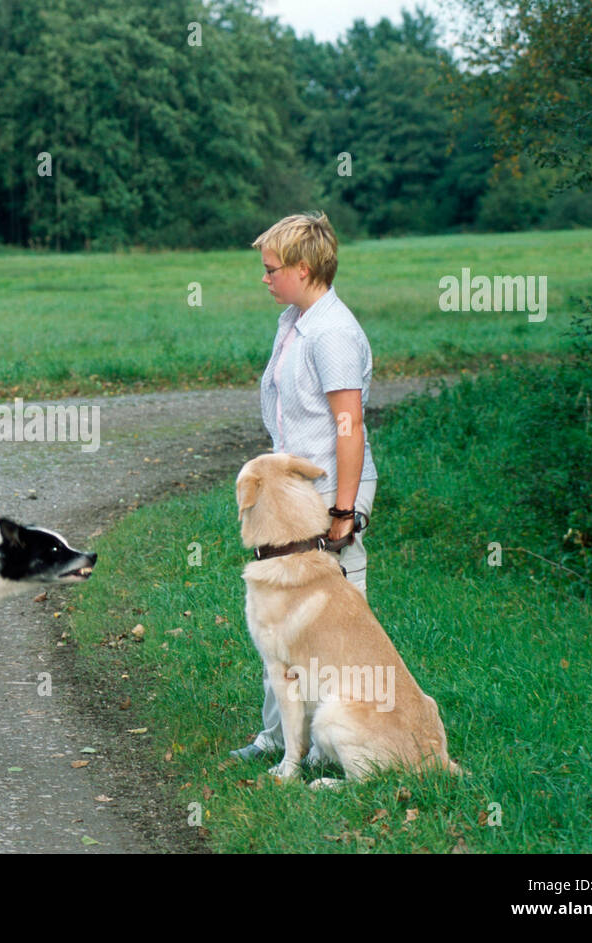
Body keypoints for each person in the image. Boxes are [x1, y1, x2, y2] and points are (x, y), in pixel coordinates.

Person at [232, 211, 378, 762]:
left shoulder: (334, 332)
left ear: (303, 268)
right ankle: (279, 739)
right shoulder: (295, 320)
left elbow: (349, 425)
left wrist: (343, 510)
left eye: (271, 270)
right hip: (295, 494)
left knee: (333, 627)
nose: (264, 278)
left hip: (326, 496)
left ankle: (330, 745)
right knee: (281, 617)